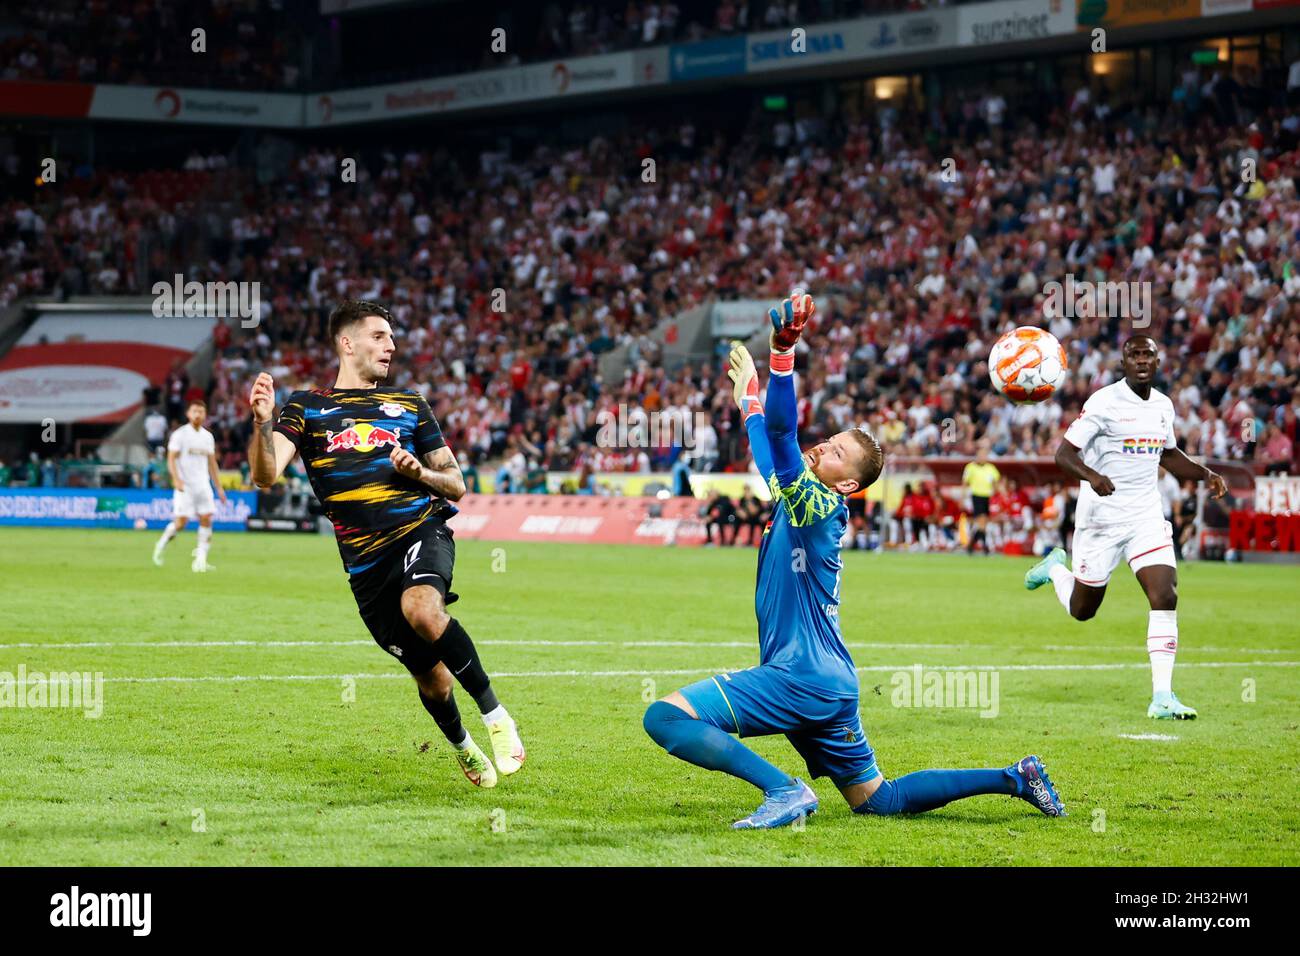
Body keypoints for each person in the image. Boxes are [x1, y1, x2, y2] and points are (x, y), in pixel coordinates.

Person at [644, 292, 1065, 829]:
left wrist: (781, 354)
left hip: (800, 677)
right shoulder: (803, 499)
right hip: (831, 681)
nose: (822, 448)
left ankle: (783, 790)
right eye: (830, 440)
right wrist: (748, 397)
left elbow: (780, 435)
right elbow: (770, 447)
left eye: (837, 452)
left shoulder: (820, 505)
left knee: (665, 717)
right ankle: (1015, 776)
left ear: (848, 482)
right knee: (877, 800)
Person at [246, 299, 525, 789]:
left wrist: (422, 472)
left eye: (392, 338)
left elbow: (457, 484)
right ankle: (464, 746)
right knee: (432, 678)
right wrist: (262, 423)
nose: (390, 346)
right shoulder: (306, 407)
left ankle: (497, 716)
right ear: (347, 343)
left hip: (420, 528)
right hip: (365, 565)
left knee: (422, 608)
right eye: (379, 337)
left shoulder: (410, 404)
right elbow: (265, 476)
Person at [1025, 335, 1227, 720]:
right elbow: (1064, 454)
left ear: (1157, 360)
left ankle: (1163, 697)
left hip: (1145, 516)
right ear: (1123, 362)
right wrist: (1093, 475)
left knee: (1165, 595)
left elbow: (1167, 454)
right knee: (1083, 610)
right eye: (1133, 354)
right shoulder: (1104, 402)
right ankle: (1054, 568)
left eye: (1147, 353)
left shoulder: (1164, 406)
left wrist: (1205, 474)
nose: (1141, 360)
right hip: (1100, 519)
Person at [153, 399, 227, 572]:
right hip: (185, 486)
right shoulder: (180, 435)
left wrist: (219, 487)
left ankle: (200, 561)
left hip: (203, 485)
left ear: (205, 415)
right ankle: (161, 544)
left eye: (201, 411)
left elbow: (212, 464)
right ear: (188, 413)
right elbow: (171, 459)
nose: (197, 414)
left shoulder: (207, 437)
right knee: (181, 523)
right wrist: (176, 479)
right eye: (194, 411)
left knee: (206, 518)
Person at [962, 443, 999, 554]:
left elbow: (995, 483)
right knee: (982, 520)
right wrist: (963, 497)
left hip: (987, 497)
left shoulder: (991, 468)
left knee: (983, 523)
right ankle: (984, 547)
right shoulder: (971, 467)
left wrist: (996, 494)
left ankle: (972, 544)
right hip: (976, 496)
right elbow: (965, 483)